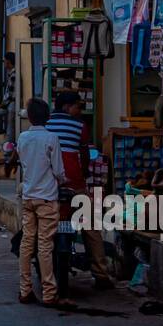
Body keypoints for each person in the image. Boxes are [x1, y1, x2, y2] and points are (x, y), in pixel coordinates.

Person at [47, 91, 110, 289]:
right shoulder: (80, 126)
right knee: (91, 226)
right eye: (78, 106)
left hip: (49, 186)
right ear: (67, 107)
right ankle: (101, 273)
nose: (80, 110)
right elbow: (84, 154)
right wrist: (83, 175)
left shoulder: (45, 124)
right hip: (75, 184)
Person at [16, 97, 66, 306]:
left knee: (27, 243)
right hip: (46, 198)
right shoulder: (51, 138)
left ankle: (25, 290)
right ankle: (49, 293)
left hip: (28, 196)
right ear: (47, 117)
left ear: (29, 117)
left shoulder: (22, 138)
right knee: (45, 246)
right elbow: (59, 171)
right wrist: (63, 180)